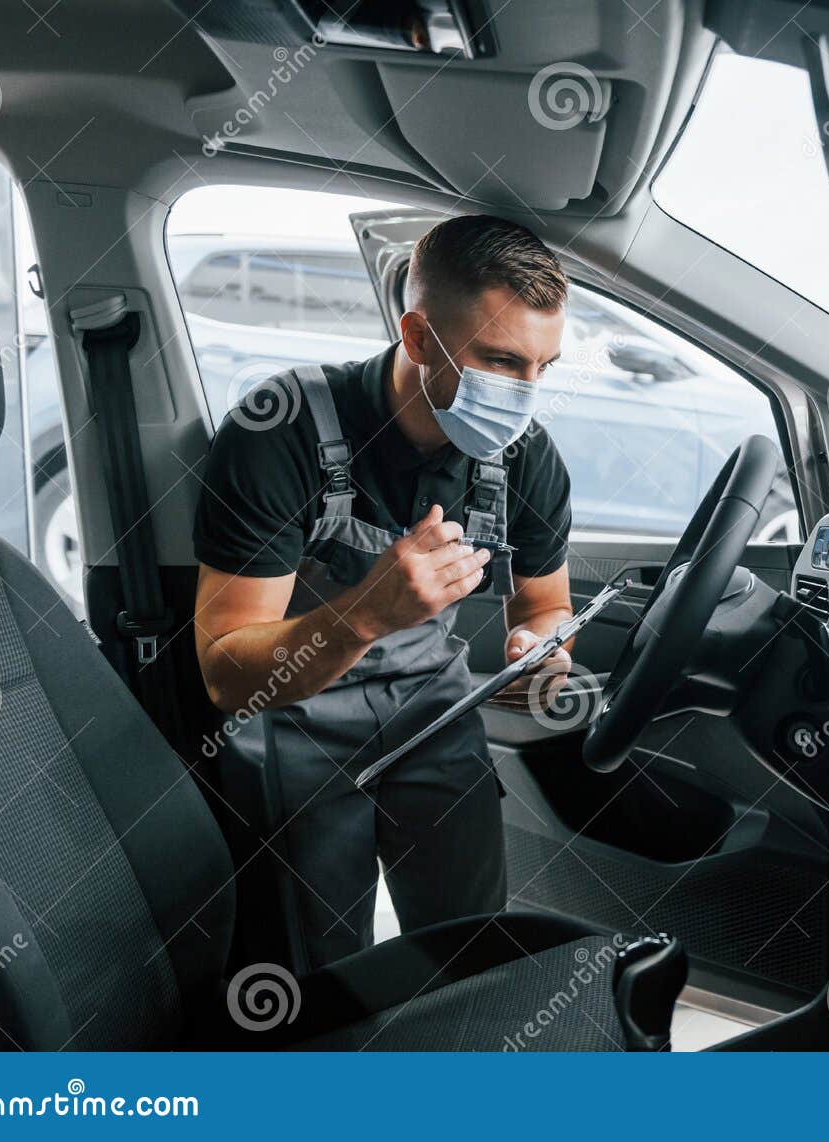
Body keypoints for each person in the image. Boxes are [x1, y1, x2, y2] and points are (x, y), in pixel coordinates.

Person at [192, 214, 575, 969]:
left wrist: (543, 650)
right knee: (318, 970)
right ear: (419, 337)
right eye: (501, 362)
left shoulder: (524, 456)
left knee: (468, 951)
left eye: (544, 367)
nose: (525, 395)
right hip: (292, 721)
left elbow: (545, 605)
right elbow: (226, 671)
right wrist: (365, 614)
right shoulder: (282, 431)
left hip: (434, 713)